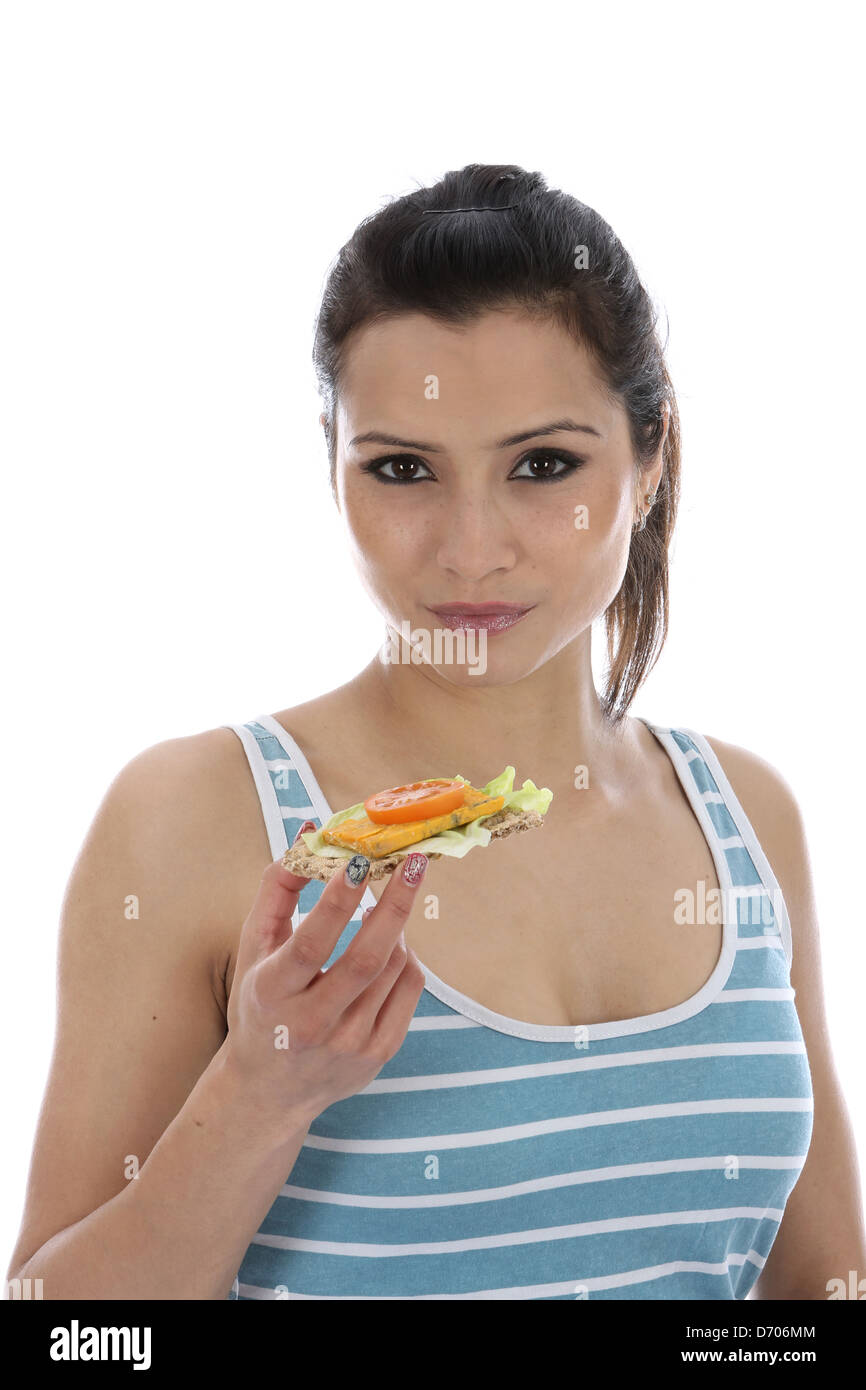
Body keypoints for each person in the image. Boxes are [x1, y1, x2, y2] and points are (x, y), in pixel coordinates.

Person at [7, 163, 865, 1301]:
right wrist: (258, 1094)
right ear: (333, 460)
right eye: (402, 468)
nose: (469, 549)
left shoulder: (742, 813)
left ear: (650, 459)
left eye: (542, 465)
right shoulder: (194, 815)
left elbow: (821, 1291)